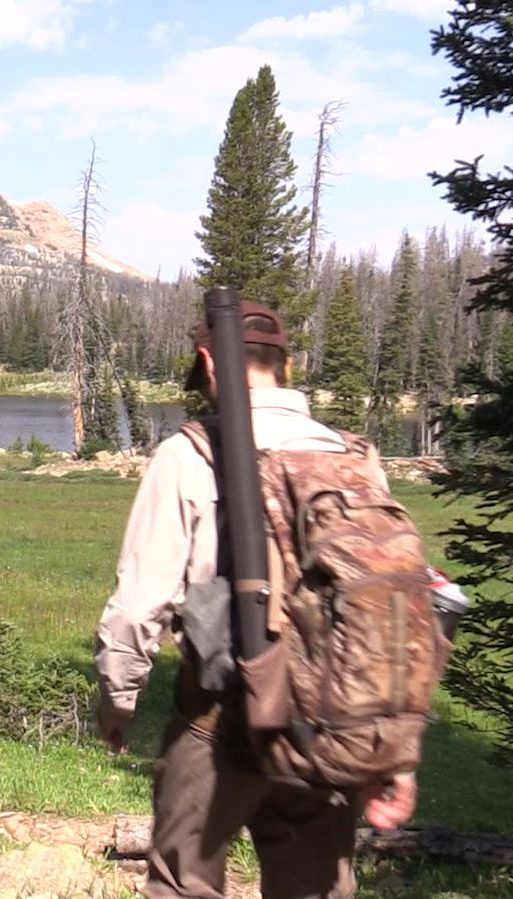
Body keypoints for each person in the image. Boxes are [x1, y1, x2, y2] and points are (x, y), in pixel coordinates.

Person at [93, 302, 418, 899]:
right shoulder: (352, 457)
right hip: (329, 715)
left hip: (219, 714)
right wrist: (390, 750)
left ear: (209, 362)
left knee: (182, 882)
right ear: (284, 364)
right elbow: (384, 607)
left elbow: (141, 602)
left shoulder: (189, 453)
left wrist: (117, 697)